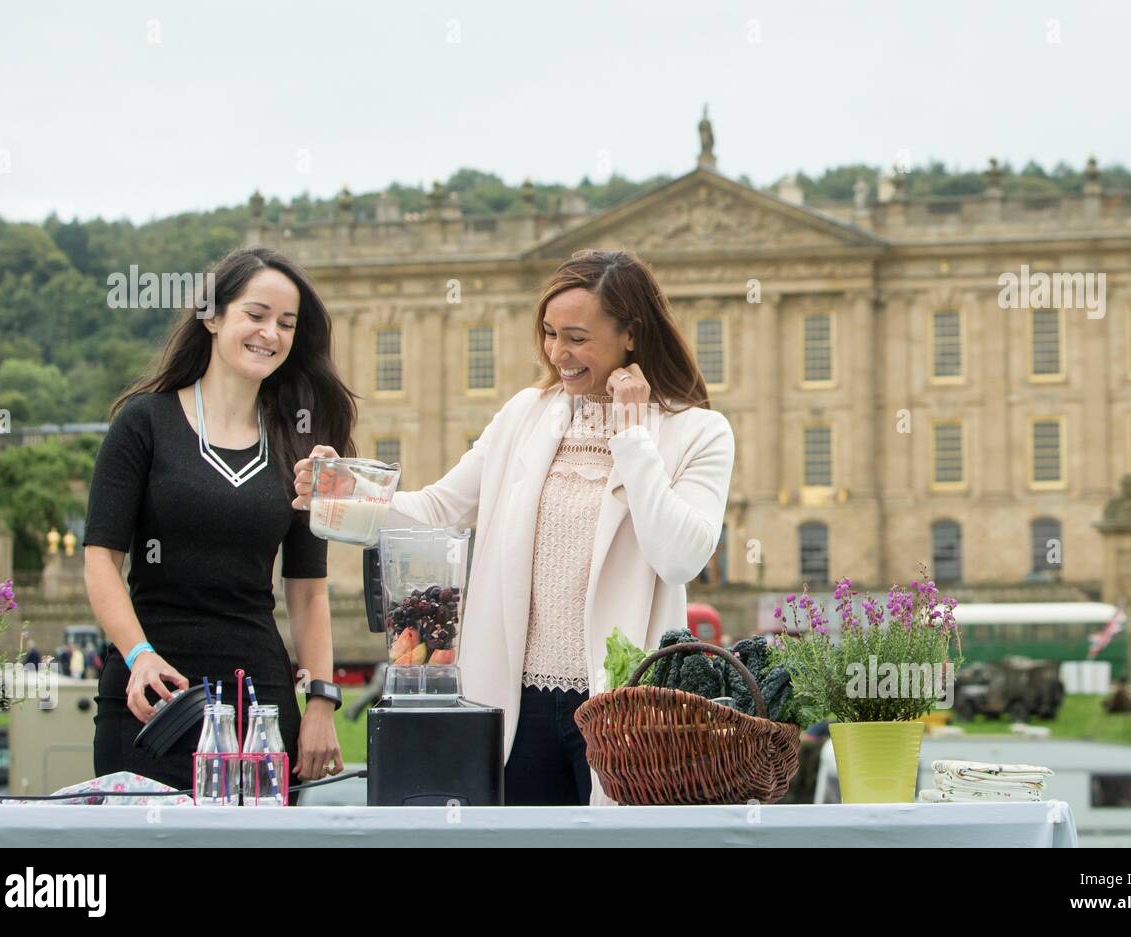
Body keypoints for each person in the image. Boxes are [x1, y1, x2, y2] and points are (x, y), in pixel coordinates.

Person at [293, 248, 735, 806]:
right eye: (550, 334)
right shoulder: (523, 415)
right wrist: (347, 494)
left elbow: (680, 557)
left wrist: (631, 437)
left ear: (631, 334)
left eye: (577, 337)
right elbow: (437, 509)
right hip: (514, 705)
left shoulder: (699, 432)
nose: (558, 352)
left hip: (624, 713)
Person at [84, 246, 356, 799]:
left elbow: (306, 591)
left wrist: (322, 702)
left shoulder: (300, 442)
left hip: (259, 703)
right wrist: (138, 657)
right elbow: (101, 560)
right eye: (255, 316)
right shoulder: (144, 422)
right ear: (212, 316)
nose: (270, 334)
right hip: (151, 700)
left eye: (286, 324)